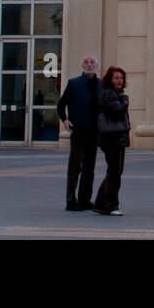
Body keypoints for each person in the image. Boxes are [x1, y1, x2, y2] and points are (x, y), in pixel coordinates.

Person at [57, 55, 101, 211]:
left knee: (89, 167)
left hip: (94, 131)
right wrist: (64, 119)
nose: (89, 65)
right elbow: (61, 104)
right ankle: (70, 199)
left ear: (96, 65)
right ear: (82, 66)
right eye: (86, 62)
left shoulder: (101, 85)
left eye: (92, 62)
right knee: (75, 165)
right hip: (79, 130)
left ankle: (85, 199)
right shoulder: (74, 84)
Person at [93, 66, 130, 216]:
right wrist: (124, 100)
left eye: (121, 78)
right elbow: (117, 111)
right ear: (110, 79)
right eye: (116, 78)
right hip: (112, 138)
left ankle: (100, 203)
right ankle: (111, 205)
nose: (119, 81)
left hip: (117, 138)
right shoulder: (109, 94)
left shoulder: (115, 94)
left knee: (114, 171)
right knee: (115, 172)